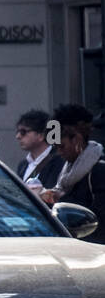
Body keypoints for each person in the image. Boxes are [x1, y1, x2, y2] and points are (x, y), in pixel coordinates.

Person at [45, 104, 105, 242]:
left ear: (77, 139)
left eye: (62, 146)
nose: (59, 152)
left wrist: (60, 198)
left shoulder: (99, 170)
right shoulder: (67, 170)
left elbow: (99, 220)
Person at [14, 109, 62, 192]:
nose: (18, 136)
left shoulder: (60, 163)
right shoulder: (22, 165)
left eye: (23, 132)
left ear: (41, 135)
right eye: (18, 131)